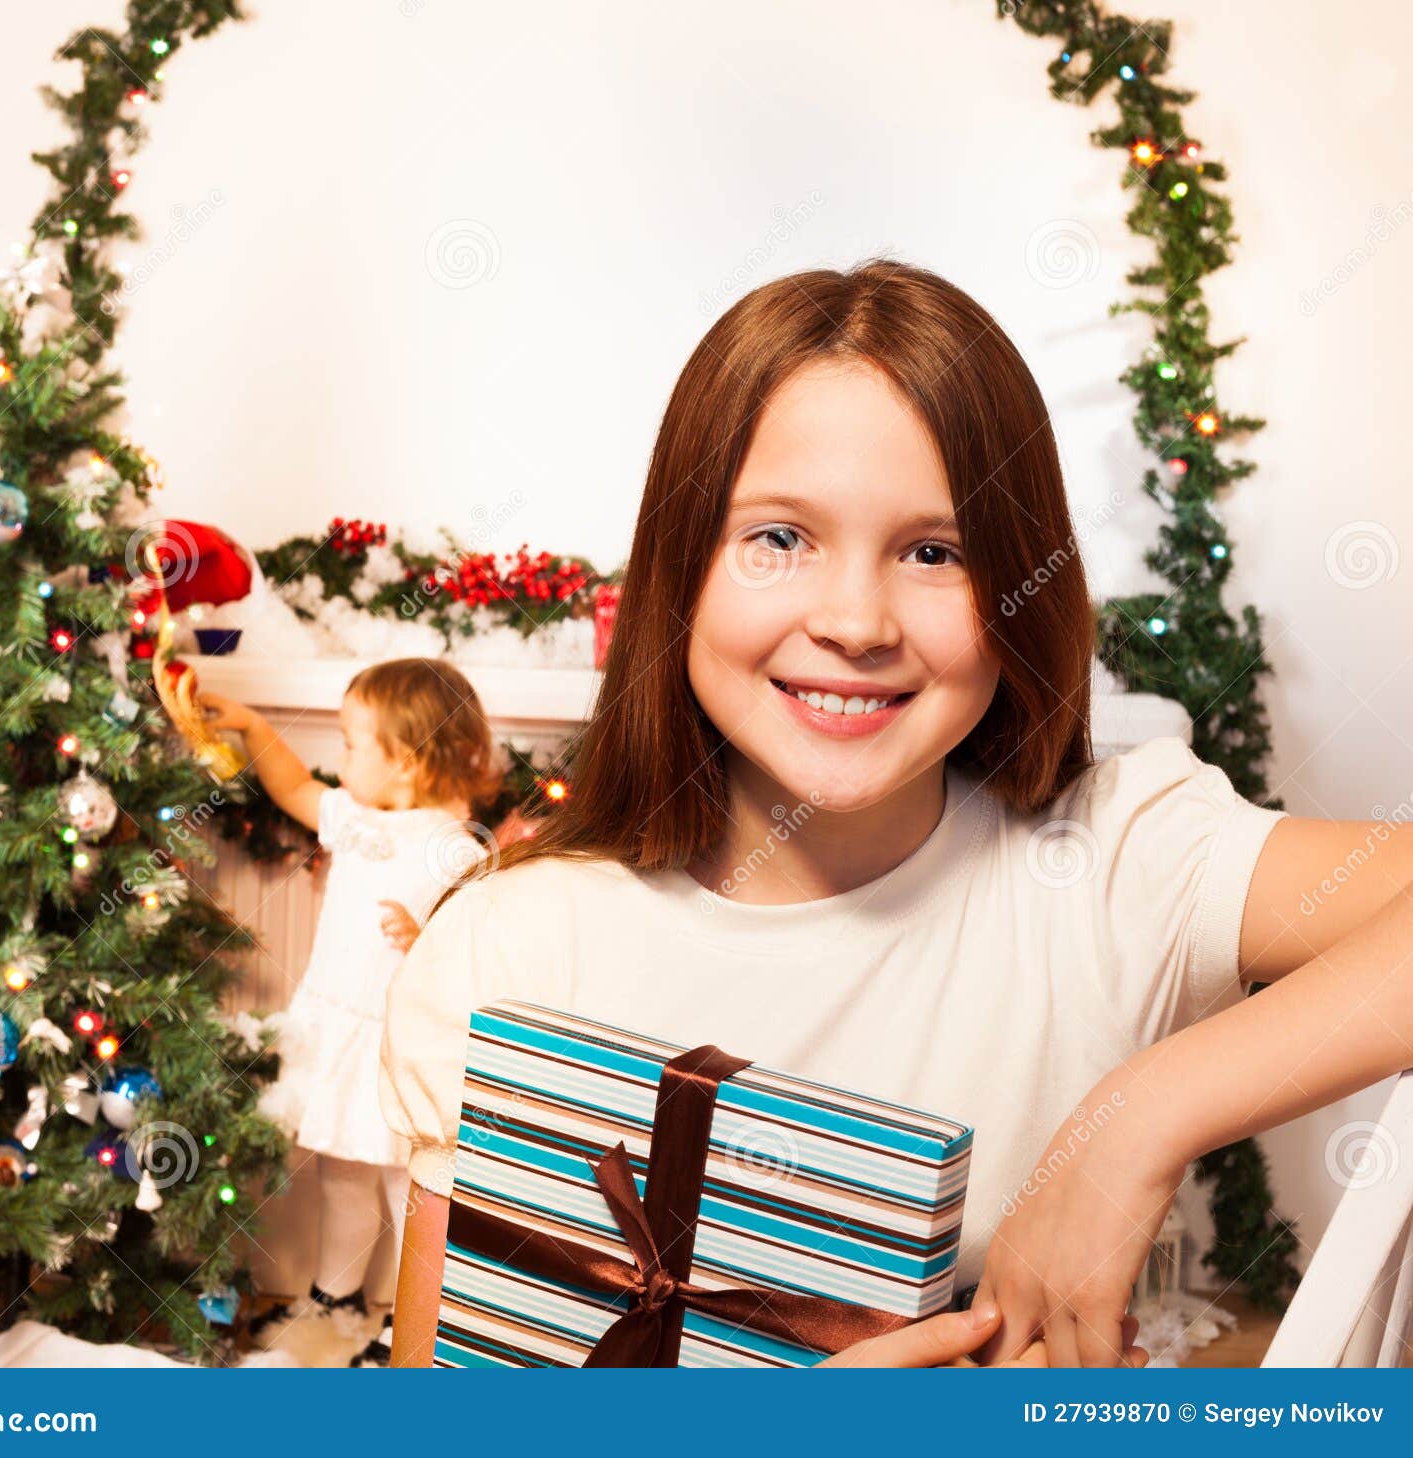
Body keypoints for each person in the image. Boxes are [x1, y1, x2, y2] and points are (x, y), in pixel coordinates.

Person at [378, 257, 1413, 1368]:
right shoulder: (514, 948)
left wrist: (1146, 1112)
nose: (856, 621)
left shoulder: (1116, 861)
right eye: (776, 538)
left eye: (935, 551)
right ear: (680, 572)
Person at [201, 657, 499, 1365]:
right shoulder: (359, 822)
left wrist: (424, 939)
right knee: (342, 1175)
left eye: (353, 742)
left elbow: (480, 957)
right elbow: (293, 787)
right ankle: (336, 1304)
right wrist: (251, 727)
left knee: (414, 1192)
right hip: (336, 1032)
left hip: (400, 1051)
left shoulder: (454, 849)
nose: (340, 757)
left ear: (408, 761)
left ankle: (419, 1333)